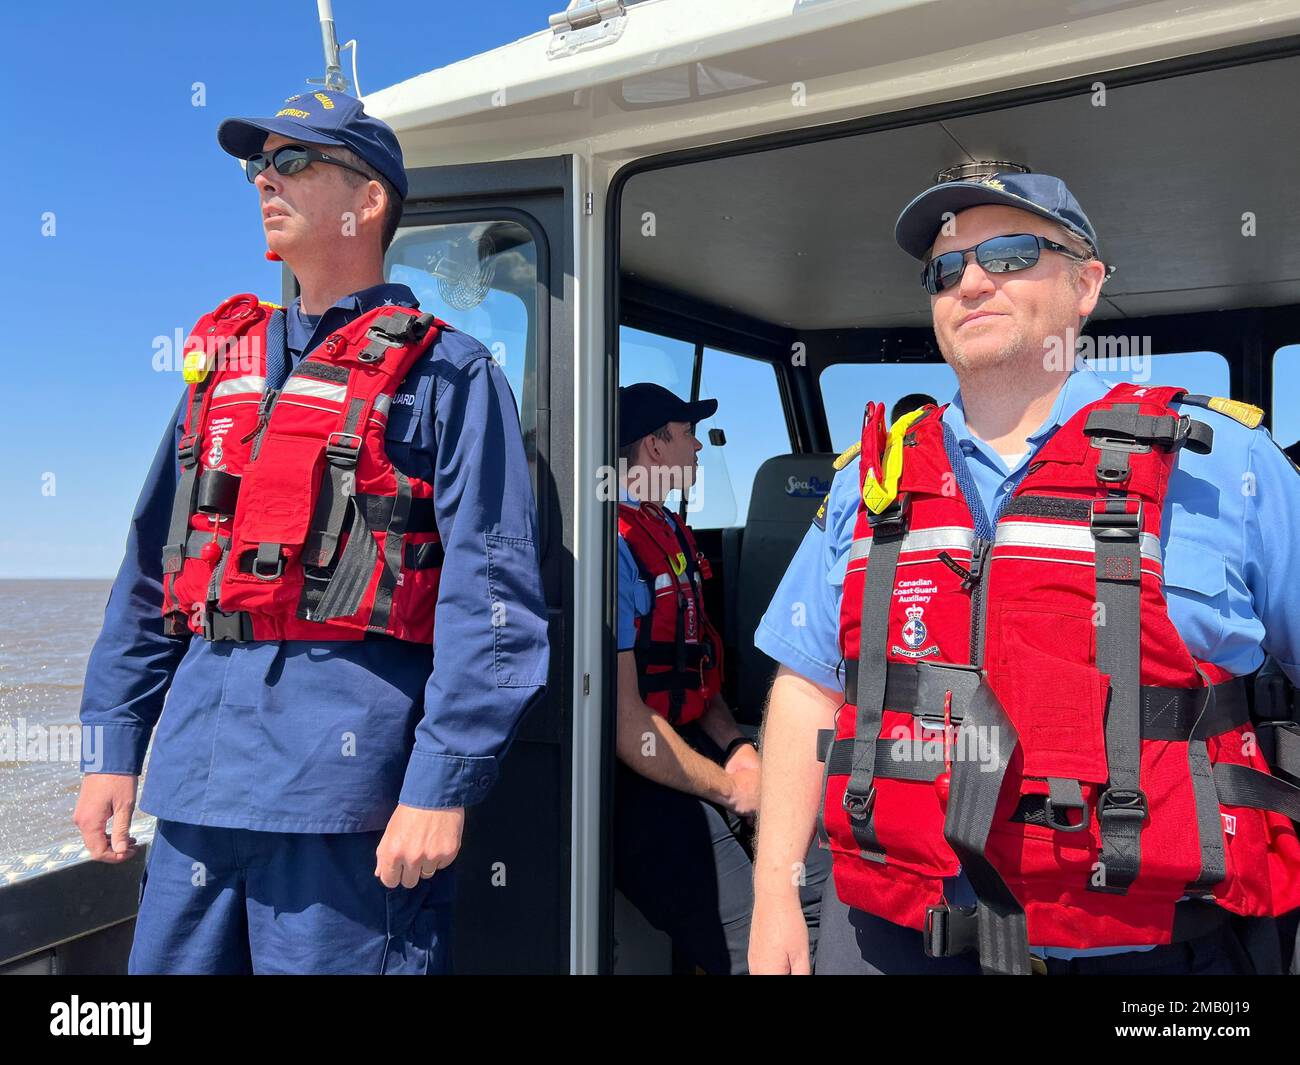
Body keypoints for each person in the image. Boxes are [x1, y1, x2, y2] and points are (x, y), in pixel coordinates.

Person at [748, 171, 1300, 975]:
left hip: (1153, 949)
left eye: (1009, 253)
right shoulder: (866, 485)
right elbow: (806, 689)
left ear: (1086, 284)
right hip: (894, 938)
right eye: (946, 268)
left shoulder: (1228, 466)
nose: (971, 281)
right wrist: (773, 901)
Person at [73, 90, 549, 974]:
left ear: (368, 201)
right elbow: (149, 572)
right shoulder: (221, 375)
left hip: (347, 809)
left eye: (294, 163)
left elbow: (495, 606)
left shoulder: (452, 375)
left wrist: (440, 790)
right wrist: (112, 747)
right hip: (198, 801)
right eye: (260, 166)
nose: (265, 181)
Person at [614, 383, 828, 973]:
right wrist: (734, 791)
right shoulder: (615, 549)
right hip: (633, 778)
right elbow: (627, 724)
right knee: (751, 936)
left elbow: (699, 678)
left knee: (819, 886)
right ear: (655, 448)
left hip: (694, 747)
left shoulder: (673, 536)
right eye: (689, 435)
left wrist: (740, 751)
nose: (699, 449)